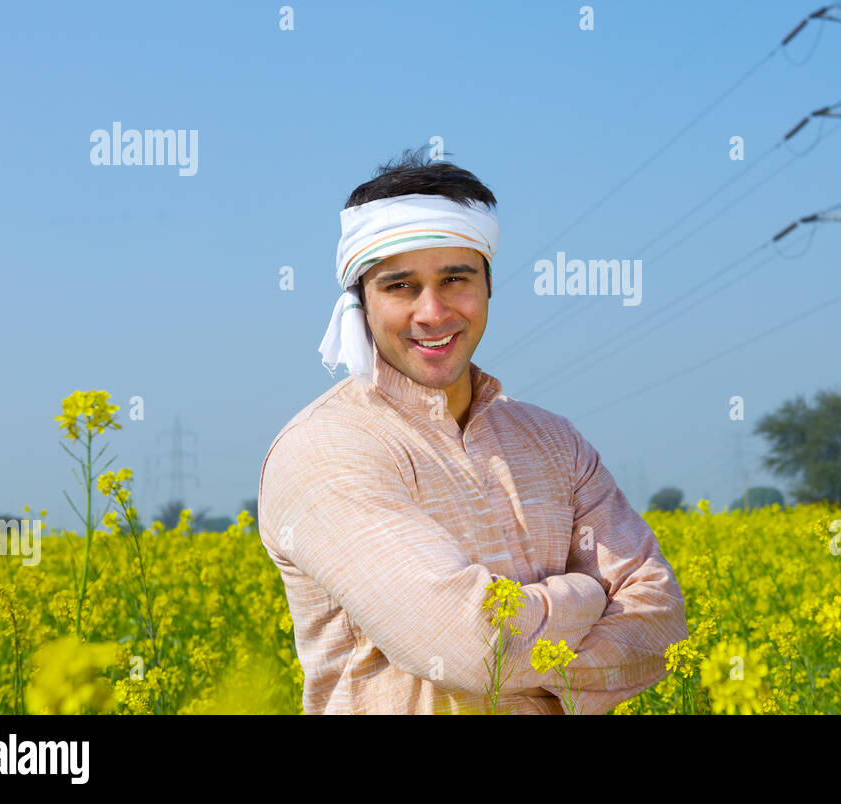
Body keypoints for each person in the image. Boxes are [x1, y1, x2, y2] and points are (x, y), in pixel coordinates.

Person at [258, 145, 687, 714]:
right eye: (400, 286)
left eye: (456, 278)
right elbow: (467, 648)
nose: (432, 312)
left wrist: (523, 652)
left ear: (488, 285)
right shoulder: (326, 448)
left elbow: (661, 619)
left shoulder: (554, 441)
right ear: (359, 300)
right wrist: (588, 595)